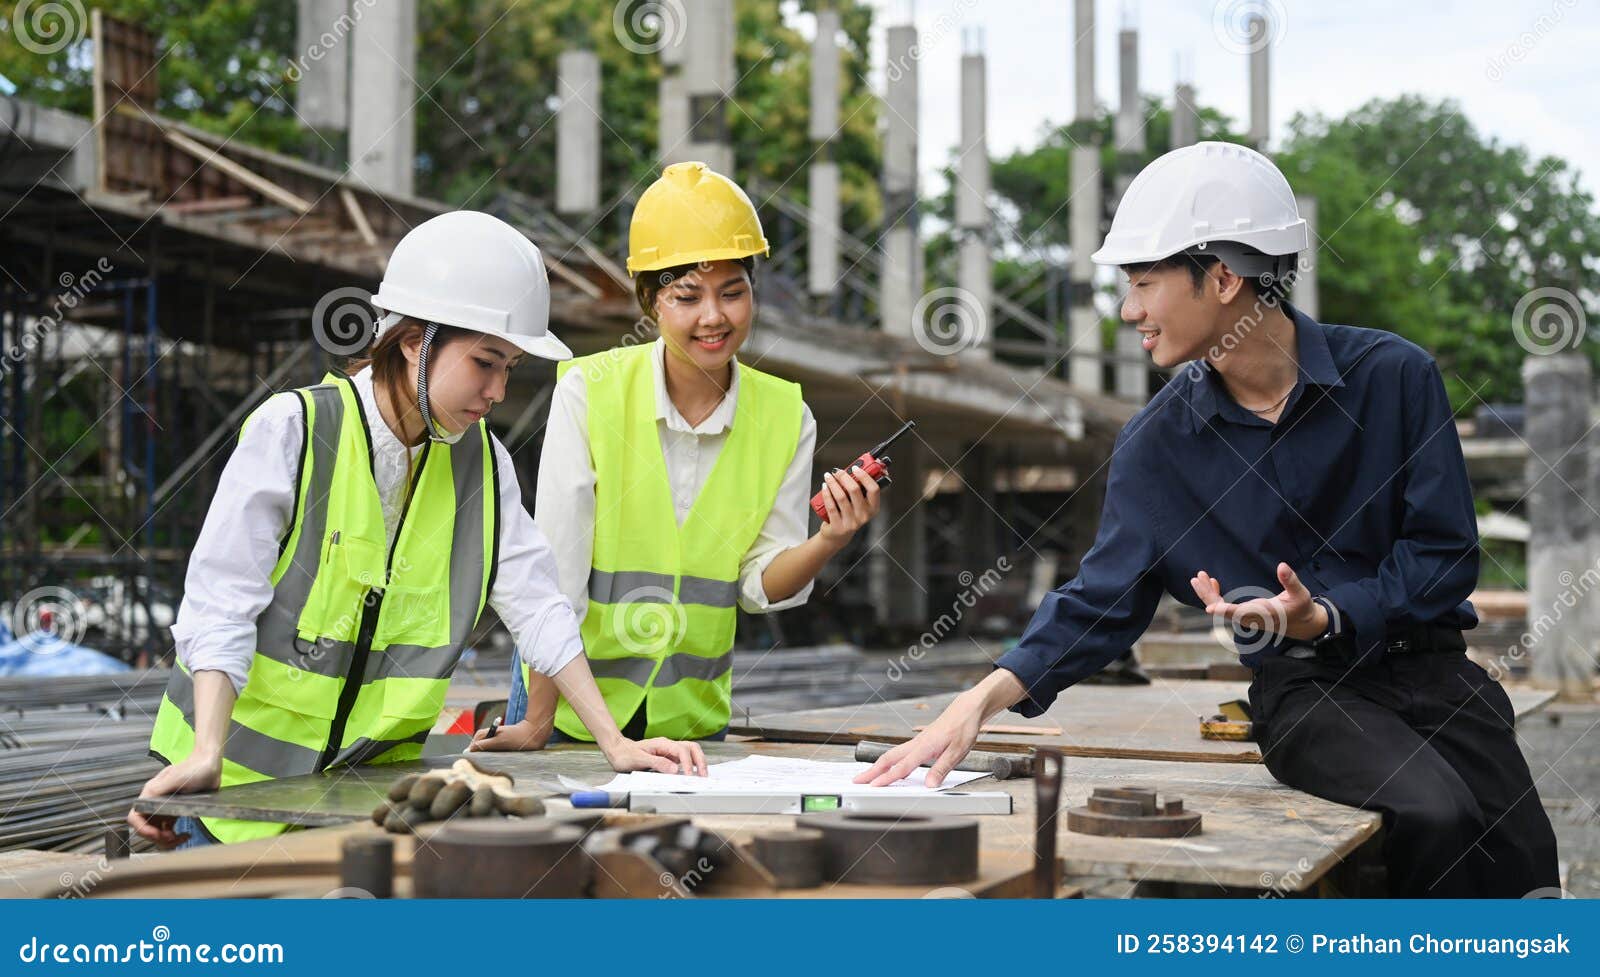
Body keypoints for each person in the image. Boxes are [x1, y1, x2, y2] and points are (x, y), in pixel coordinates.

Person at [856, 141, 1560, 898]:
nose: (1129, 311)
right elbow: (1099, 603)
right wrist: (979, 700)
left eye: (1144, 283)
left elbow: (1444, 556)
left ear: (1223, 277)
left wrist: (1325, 612)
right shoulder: (1157, 447)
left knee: (1526, 866)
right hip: (1310, 698)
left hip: (1435, 674)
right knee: (1434, 813)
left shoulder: (1396, 379)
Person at [130, 211, 706, 850]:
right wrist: (207, 750)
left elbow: (538, 604)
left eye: (510, 367)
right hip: (230, 801)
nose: (496, 391)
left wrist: (614, 742)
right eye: (485, 362)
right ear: (413, 341)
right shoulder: (294, 431)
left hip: (366, 806)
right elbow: (221, 602)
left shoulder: (482, 464)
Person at [470, 162, 883, 751]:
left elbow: (759, 586)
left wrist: (829, 540)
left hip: (692, 724)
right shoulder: (589, 391)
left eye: (732, 293)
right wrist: (537, 722)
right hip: (571, 712)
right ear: (651, 301)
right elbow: (557, 572)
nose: (713, 317)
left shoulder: (788, 416)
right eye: (687, 296)